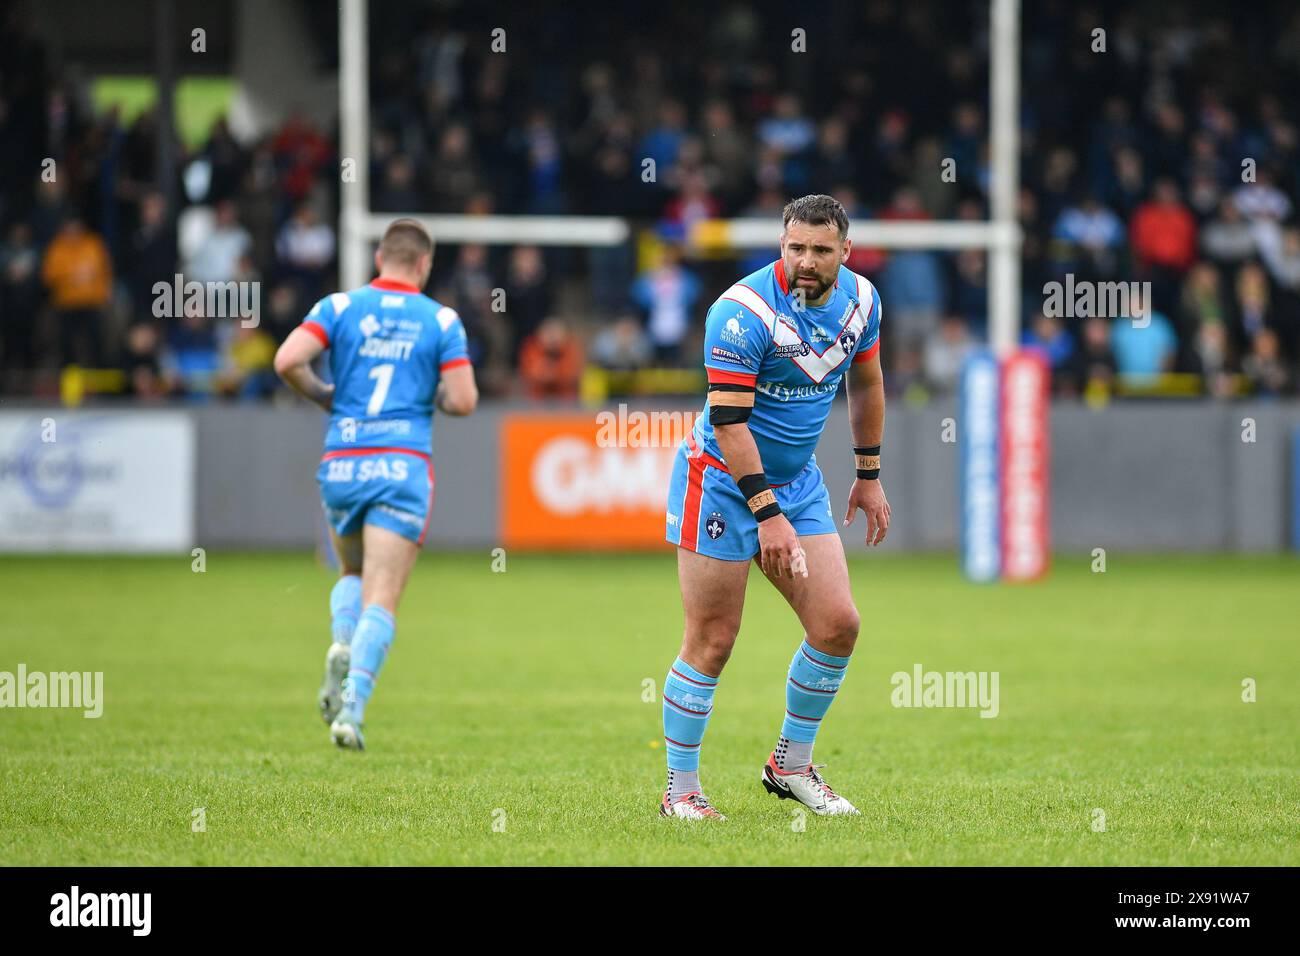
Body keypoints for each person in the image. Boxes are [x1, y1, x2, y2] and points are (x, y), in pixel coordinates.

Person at [660, 195, 889, 820]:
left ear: (846, 250)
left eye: (821, 249)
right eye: (795, 248)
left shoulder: (864, 302)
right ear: (781, 245)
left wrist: (868, 475)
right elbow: (729, 425)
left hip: (798, 483)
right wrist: (768, 516)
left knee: (838, 624)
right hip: (719, 482)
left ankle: (790, 765)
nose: (806, 261)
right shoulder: (741, 313)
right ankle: (681, 791)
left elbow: (867, 381)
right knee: (712, 639)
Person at [273, 219, 478, 750]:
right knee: (383, 594)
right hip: (400, 466)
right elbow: (463, 400)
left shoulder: (338, 307)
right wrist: (430, 395)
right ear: (424, 265)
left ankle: (342, 643)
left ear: (380, 258)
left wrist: (326, 397)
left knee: (353, 571)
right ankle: (352, 711)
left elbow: (287, 360)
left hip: (343, 464)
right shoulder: (440, 319)